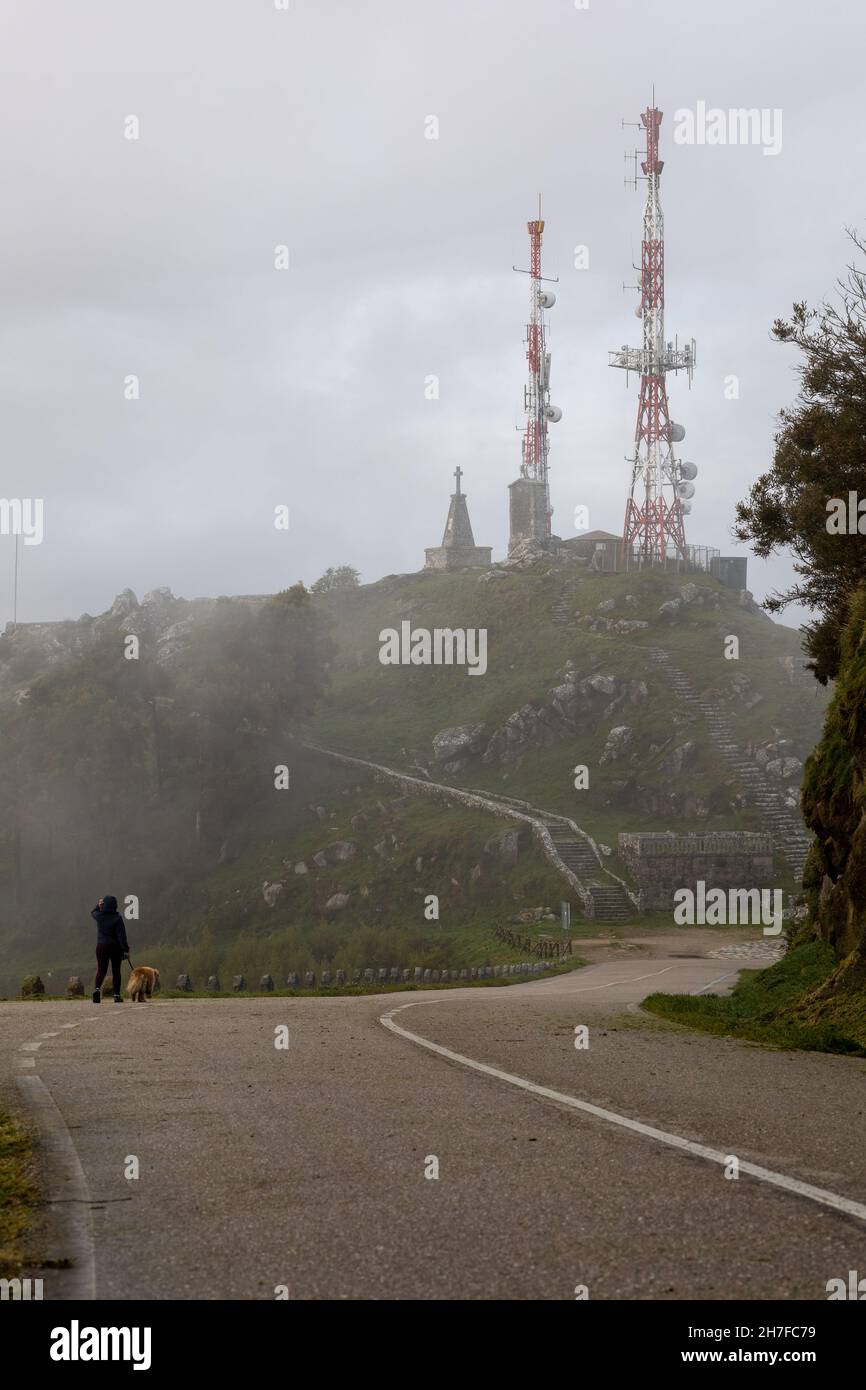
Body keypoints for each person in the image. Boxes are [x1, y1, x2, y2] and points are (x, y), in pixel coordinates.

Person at [91, 896, 130, 1004]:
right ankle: (117, 995)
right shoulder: (117, 918)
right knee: (116, 971)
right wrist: (126, 949)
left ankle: (97, 990)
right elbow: (122, 936)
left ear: (104, 904)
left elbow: (93, 912)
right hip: (115, 947)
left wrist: (98, 906)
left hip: (101, 946)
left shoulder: (99, 916)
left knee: (101, 970)